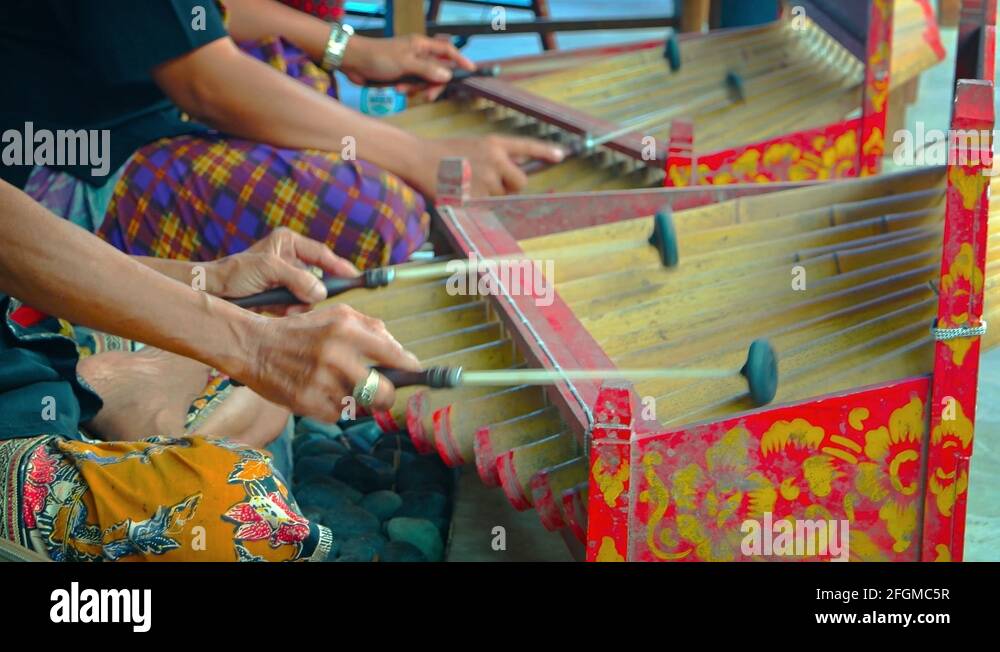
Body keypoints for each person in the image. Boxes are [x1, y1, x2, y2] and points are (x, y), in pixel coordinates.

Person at [0, 179, 418, 560]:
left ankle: (124, 401)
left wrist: (212, 283)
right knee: (240, 512)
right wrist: (251, 345)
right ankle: (125, 402)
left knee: (272, 386)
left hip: (25, 337)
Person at [0, 0, 563, 269]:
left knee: (289, 63)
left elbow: (207, 14)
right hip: (57, 178)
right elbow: (206, 82)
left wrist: (351, 48)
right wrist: (424, 158)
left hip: (149, 112)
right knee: (378, 212)